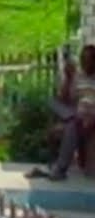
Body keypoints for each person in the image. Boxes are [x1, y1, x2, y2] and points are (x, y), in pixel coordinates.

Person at [29, 44, 95, 181]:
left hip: (90, 118)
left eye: (87, 60)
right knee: (52, 102)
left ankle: (59, 170)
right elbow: (64, 98)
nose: (84, 63)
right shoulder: (78, 77)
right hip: (77, 114)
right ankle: (57, 168)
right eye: (82, 59)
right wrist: (68, 78)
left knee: (71, 125)